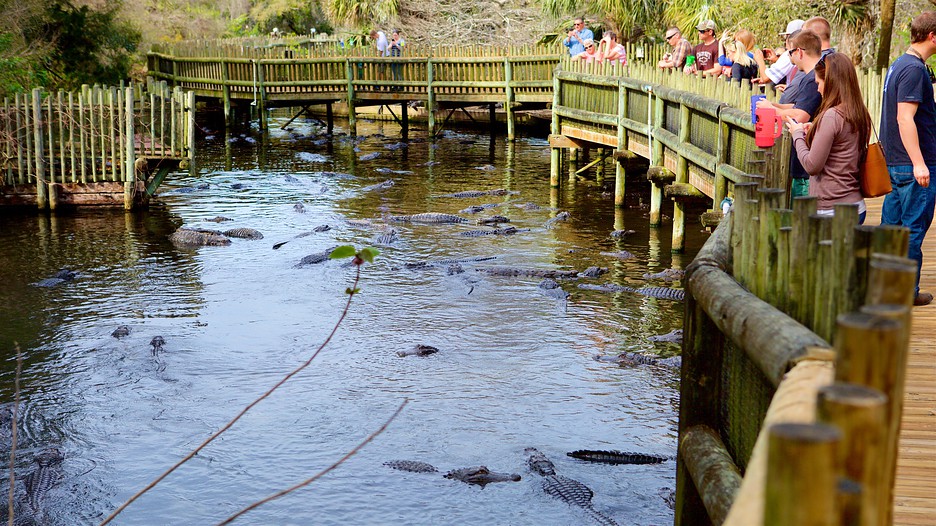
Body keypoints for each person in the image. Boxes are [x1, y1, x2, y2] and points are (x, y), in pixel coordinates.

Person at [879, 11, 936, 306]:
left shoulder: (899, 64)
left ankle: (884, 288)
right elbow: (904, 118)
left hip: (894, 162)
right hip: (910, 165)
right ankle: (904, 293)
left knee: (891, 229)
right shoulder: (913, 69)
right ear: (932, 36)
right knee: (912, 231)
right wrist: (919, 162)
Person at [785, 53, 871, 224]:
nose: (817, 89)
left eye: (819, 83)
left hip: (832, 210)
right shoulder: (859, 112)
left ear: (831, 82)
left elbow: (812, 165)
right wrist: (814, 131)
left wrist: (797, 135)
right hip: (856, 205)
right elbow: (843, 144)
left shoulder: (831, 116)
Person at [757, 30, 823, 199]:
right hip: (809, 161)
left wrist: (771, 110)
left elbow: (800, 116)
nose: (790, 58)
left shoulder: (812, 78)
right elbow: (801, 106)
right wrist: (774, 105)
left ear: (799, 52)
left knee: (801, 220)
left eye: (790, 53)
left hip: (807, 166)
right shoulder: (814, 74)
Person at [756, 19, 804, 85]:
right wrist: (777, 59)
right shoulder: (807, 53)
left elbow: (766, 78)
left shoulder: (788, 55)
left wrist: (760, 60)